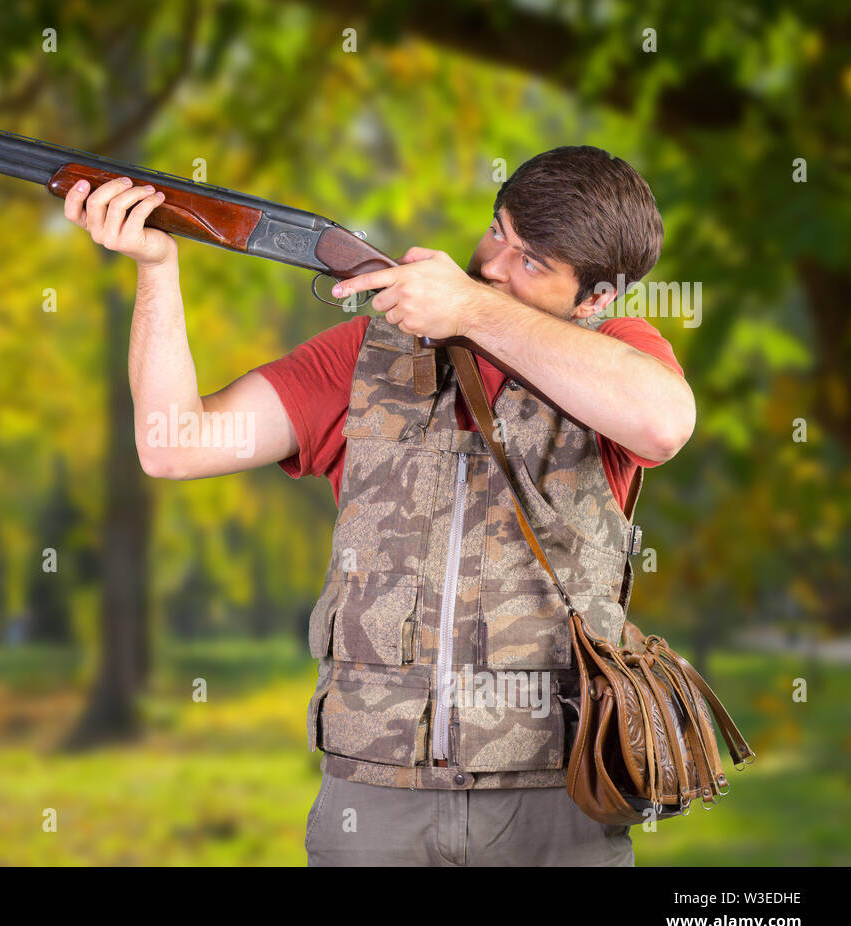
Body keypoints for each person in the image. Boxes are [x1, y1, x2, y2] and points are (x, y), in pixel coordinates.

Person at [62, 146, 691, 866]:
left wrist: (470, 310)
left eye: (531, 263)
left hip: (557, 800)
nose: (491, 264)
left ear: (596, 298)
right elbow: (174, 445)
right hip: (375, 801)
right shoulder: (370, 350)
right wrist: (155, 270)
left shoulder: (618, 351)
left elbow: (663, 422)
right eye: (498, 232)